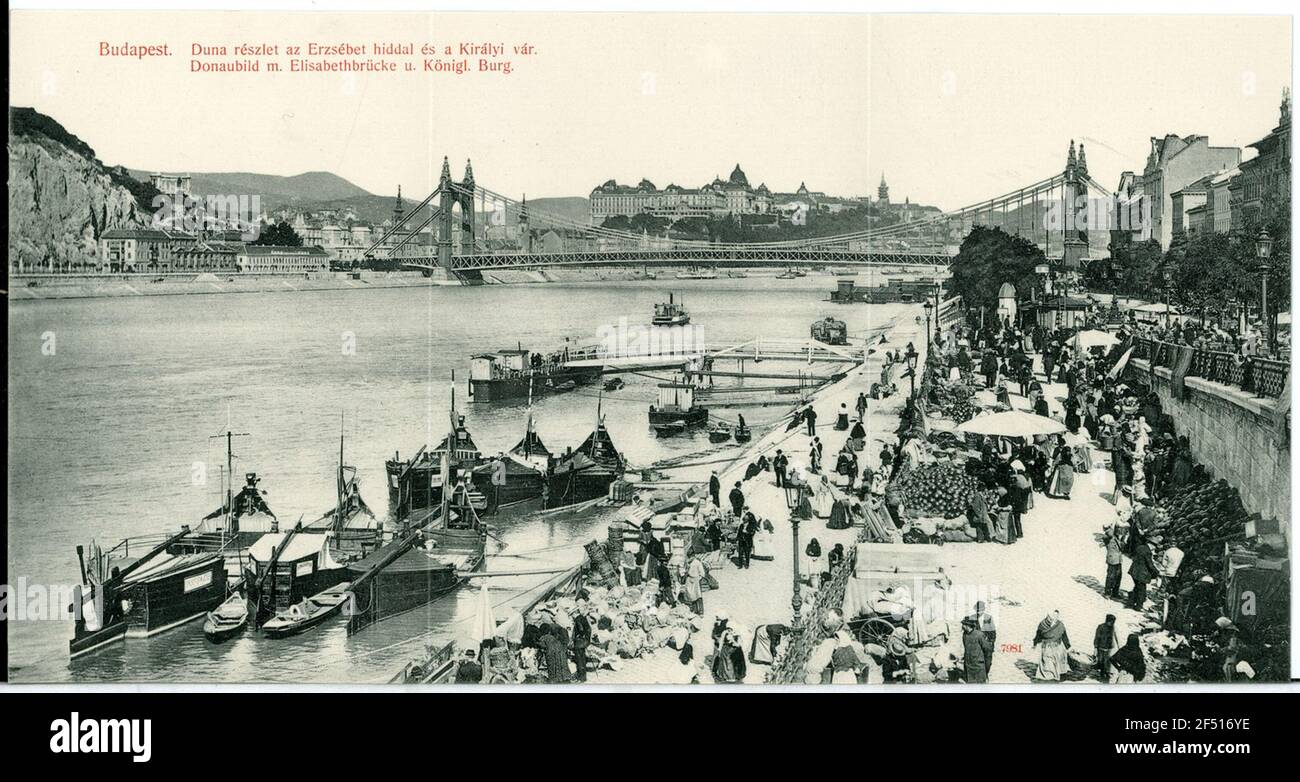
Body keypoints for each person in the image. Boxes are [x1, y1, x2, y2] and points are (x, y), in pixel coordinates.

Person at [1032, 610, 1071, 681]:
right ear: (1048, 617)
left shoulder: (1060, 625)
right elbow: (1038, 635)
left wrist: (1068, 646)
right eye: (1053, 616)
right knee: (1048, 662)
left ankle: (1059, 675)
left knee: (1059, 660)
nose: (1055, 618)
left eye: (1057, 616)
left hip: (1058, 646)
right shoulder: (1042, 624)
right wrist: (1035, 643)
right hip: (1047, 647)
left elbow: (1064, 636)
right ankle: (1049, 677)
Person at [1128, 532, 1159, 610]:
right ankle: (1138, 606)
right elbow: (1150, 565)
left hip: (1134, 571)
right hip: (1141, 574)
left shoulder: (1140, 547)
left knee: (1137, 587)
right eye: (1154, 546)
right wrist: (1157, 572)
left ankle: (1131, 602)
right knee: (1141, 590)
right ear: (1150, 544)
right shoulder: (1147, 552)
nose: (1154, 548)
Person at [962, 617, 993, 683]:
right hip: (968, 668)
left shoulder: (979, 635)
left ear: (968, 625)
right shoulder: (964, 635)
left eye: (963, 624)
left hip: (978, 669)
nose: (962, 626)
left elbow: (988, 652)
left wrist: (986, 669)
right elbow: (966, 649)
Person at [1093, 614, 1118, 682]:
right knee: (1101, 660)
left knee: (1106, 661)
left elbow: (1115, 636)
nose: (1111, 623)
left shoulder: (1113, 627)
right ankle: (1102, 672)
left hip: (1109, 648)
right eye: (1110, 621)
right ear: (1107, 620)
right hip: (1101, 647)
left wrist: (1118, 645)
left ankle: (1105, 673)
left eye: (1113, 622)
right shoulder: (1101, 627)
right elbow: (1097, 637)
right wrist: (1095, 647)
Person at [1102, 524, 1124, 599]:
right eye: (1119, 529)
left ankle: (1115, 592)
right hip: (1112, 559)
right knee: (1111, 576)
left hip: (1118, 559)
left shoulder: (1118, 537)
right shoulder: (1109, 536)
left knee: (1118, 576)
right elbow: (1106, 536)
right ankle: (1107, 592)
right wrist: (1109, 529)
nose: (1121, 531)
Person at [571, 607, 591, 682]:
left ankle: (581, 677)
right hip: (585, 641)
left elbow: (581, 629)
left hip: (580, 642)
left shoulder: (578, 620)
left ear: (575, 613)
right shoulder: (583, 618)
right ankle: (583, 676)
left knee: (579, 660)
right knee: (582, 658)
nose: (571, 616)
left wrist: (577, 636)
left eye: (572, 614)